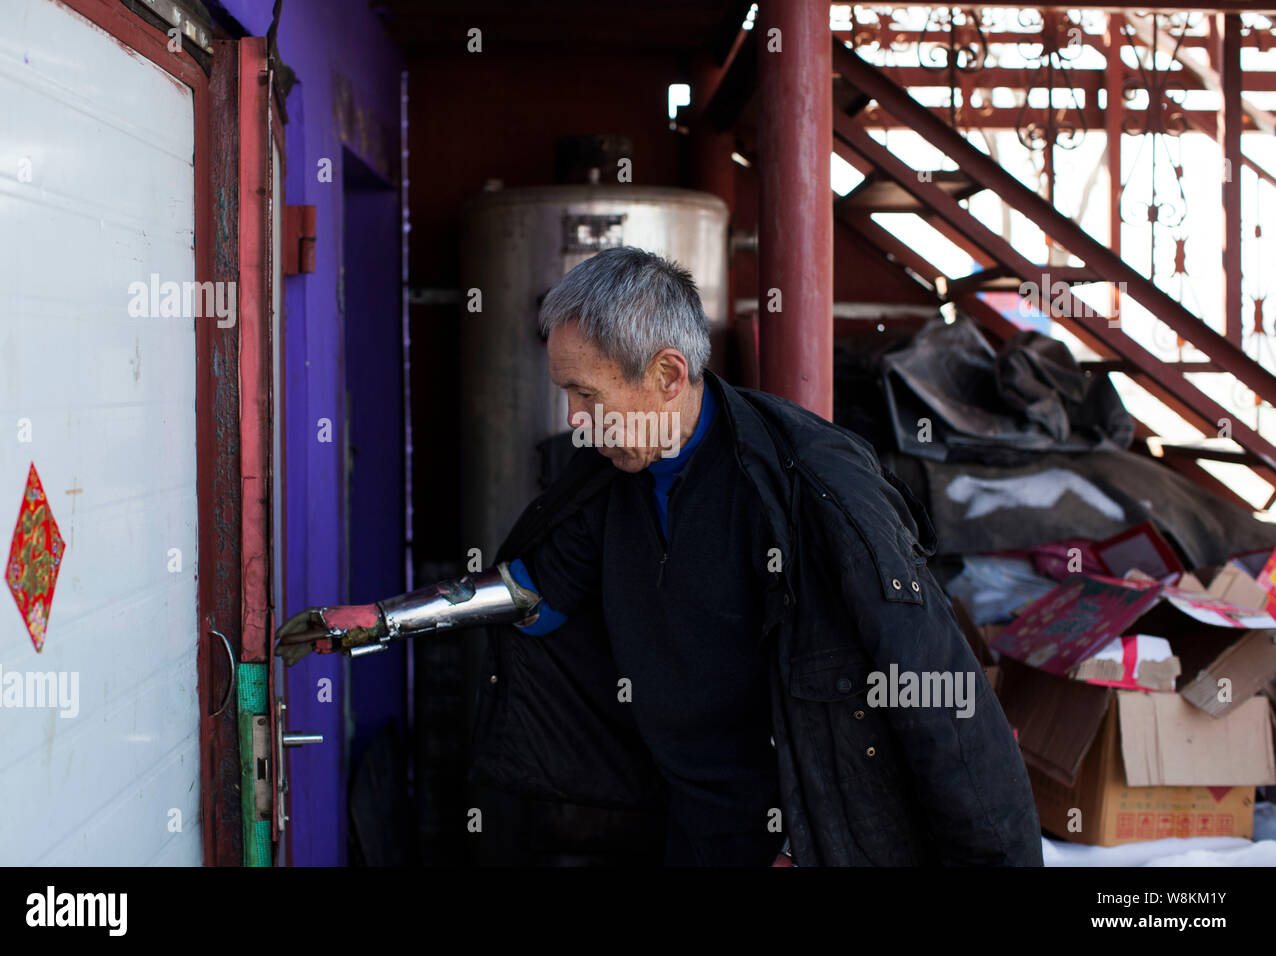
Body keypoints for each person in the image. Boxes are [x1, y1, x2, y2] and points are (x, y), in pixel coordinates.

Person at [277, 246, 1044, 867]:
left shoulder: (811, 484)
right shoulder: (611, 480)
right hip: (695, 827)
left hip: (812, 830)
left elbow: (932, 684)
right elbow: (528, 592)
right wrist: (374, 621)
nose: (573, 423)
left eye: (586, 396)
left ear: (669, 374)